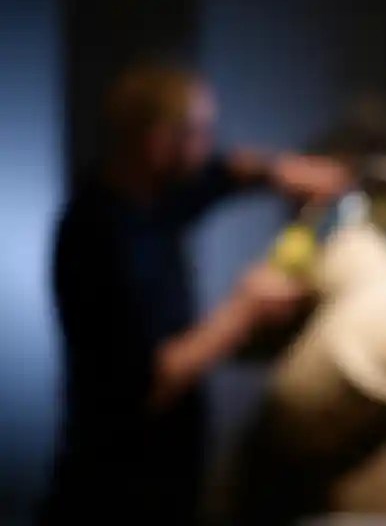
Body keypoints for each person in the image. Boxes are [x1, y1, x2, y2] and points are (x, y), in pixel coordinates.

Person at [40, 64, 351, 525]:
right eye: (201, 131)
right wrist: (245, 309)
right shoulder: (100, 238)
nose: (211, 145)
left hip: (170, 470)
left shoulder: (149, 196)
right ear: (160, 141)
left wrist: (286, 172)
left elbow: (226, 172)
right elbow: (147, 383)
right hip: (121, 489)